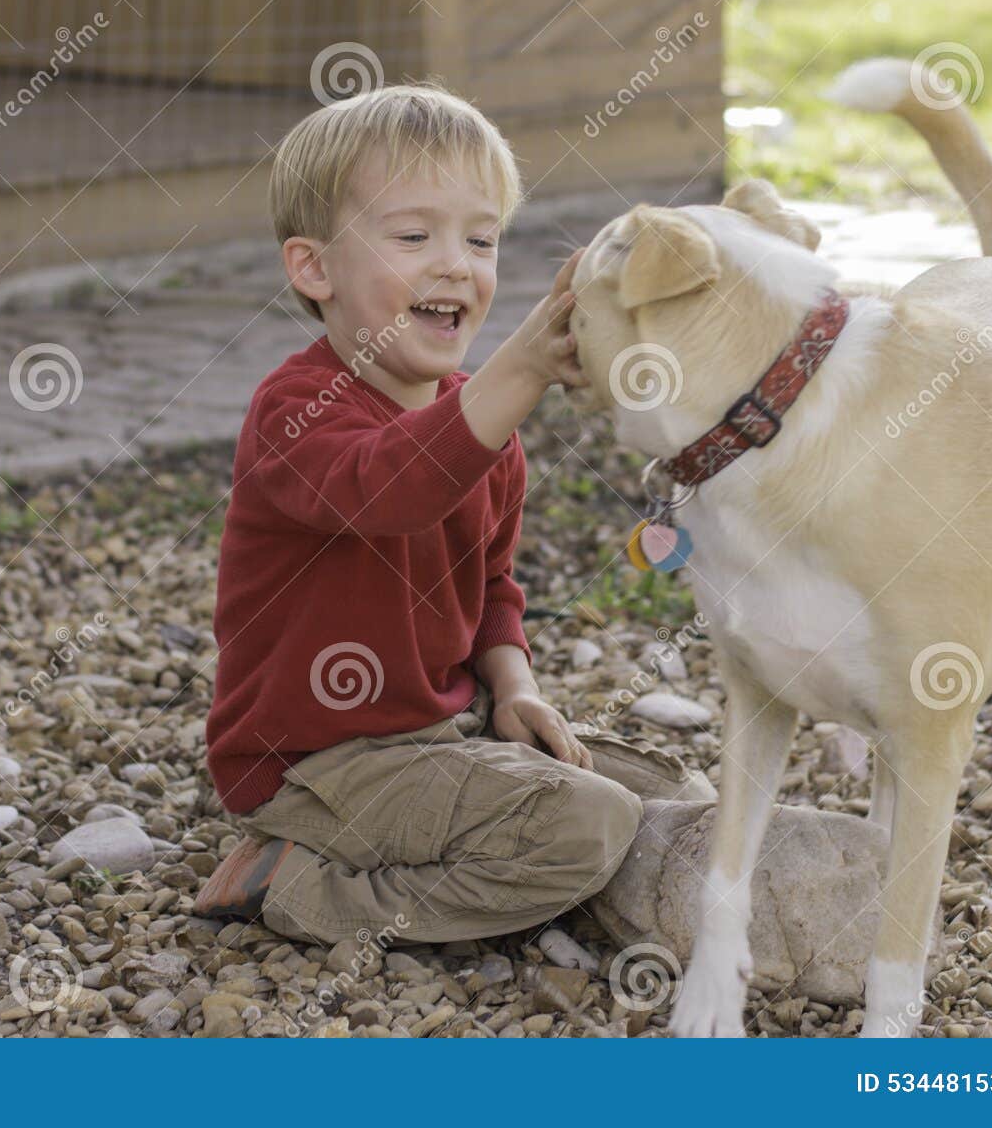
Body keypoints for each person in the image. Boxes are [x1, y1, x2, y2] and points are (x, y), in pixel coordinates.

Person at [196, 82, 711, 947]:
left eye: (481, 239)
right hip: (319, 763)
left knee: (675, 797)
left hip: (450, 730)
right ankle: (295, 885)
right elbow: (390, 488)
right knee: (584, 825)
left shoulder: (484, 430)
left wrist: (516, 690)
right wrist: (520, 370)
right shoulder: (296, 411)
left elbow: (494, 587)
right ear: (314, 268)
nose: (454, 264)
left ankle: (530, 874)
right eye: (412, 236)